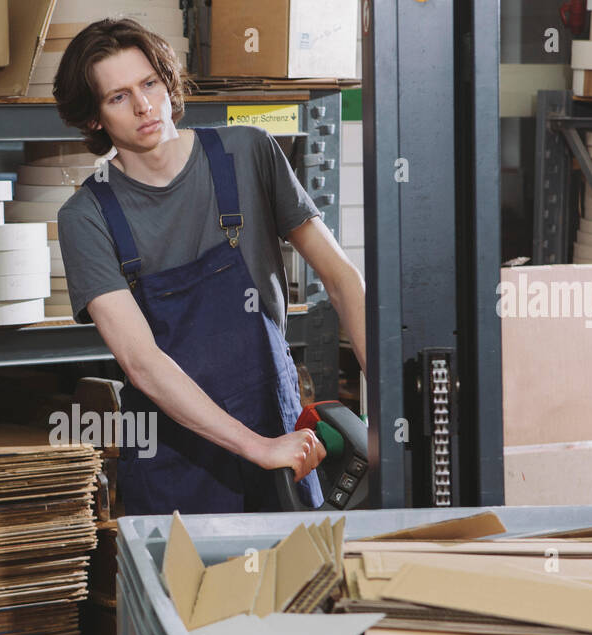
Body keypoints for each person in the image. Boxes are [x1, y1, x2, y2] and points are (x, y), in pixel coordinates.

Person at [53, 18, 367, 515]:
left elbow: (341, 277)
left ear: (167, 82)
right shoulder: (86, 216)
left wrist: (390, 409)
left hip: (280, 437)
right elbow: (142, 363)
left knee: (299, 589)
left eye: (150, 83)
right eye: (118, 97)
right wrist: (254, 447)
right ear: (93, 119)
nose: (143, 106)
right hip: (177, 464)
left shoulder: (248, 152)